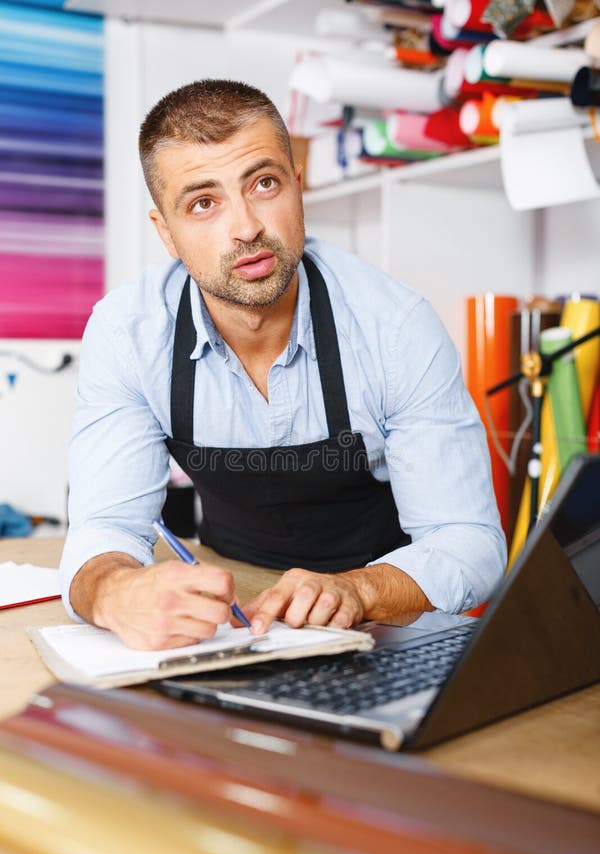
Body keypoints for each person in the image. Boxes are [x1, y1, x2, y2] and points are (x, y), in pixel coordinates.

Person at [60, 79, 506, 650]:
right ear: (166, 234)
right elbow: (105, 525)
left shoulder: (394, 328)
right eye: (203, 203)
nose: (245, 228)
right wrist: (114, 592)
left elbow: (469, 540)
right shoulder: (129, 333)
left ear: (299, 187)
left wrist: (361, 590)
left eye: (264, 184)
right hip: (236, 615)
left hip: (384, 621)